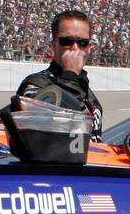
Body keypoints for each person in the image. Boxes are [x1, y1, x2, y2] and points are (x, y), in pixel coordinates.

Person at [15, 9, 104, 137]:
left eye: (82, 43)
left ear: (89, 47)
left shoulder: (87, 91)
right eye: (67, 41)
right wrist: (70, 75)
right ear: (53, 45)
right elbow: (47, 130)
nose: (75, 48)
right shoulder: (36, 84)